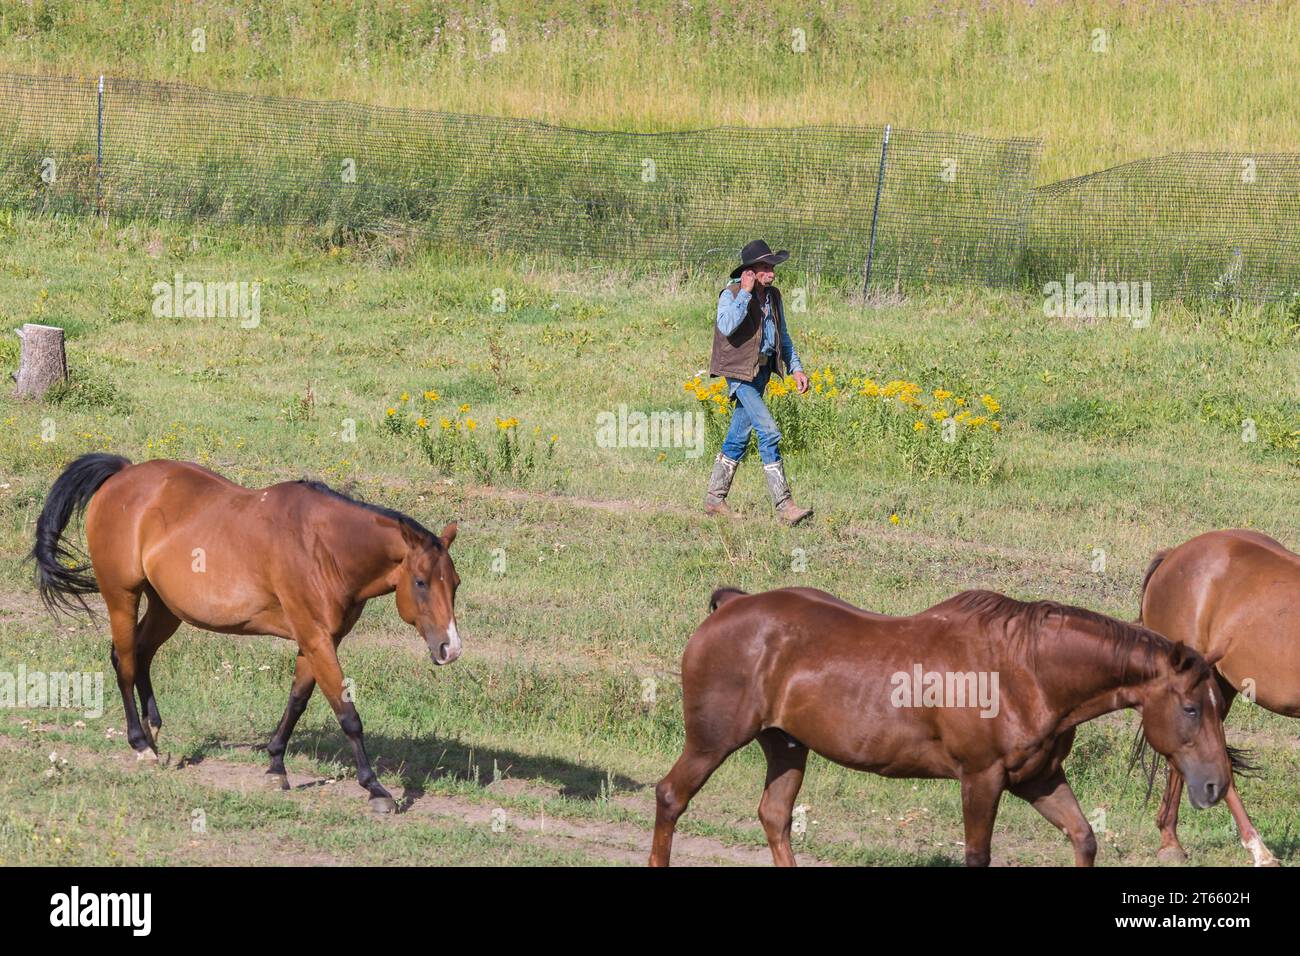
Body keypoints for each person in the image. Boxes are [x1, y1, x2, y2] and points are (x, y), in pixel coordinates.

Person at [703, 239, 812, 525]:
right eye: (765, 267)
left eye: (772, 266)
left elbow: (783, 337)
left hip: (762, 372)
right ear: (749, 271)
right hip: (740, 375)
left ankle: (715, 499)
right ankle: (785, 505)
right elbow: (726, 326)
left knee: (738, 438)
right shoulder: (732, 293)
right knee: (769, 430)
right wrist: (746, 294)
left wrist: (796, 369)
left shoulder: (774, 297)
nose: (771, 272)